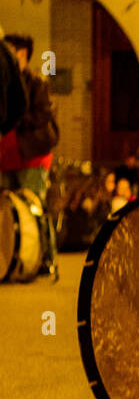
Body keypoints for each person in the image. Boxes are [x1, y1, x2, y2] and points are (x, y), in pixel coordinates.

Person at [2, 32, 59, 278]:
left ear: (21, 54)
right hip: (6, 155)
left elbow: (42, 115)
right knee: (6, 209)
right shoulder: (4, 81)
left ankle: (46, 259)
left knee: (34, 207)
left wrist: (13, 119)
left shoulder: (37, 83)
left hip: (31, 155)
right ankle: (12, 258)